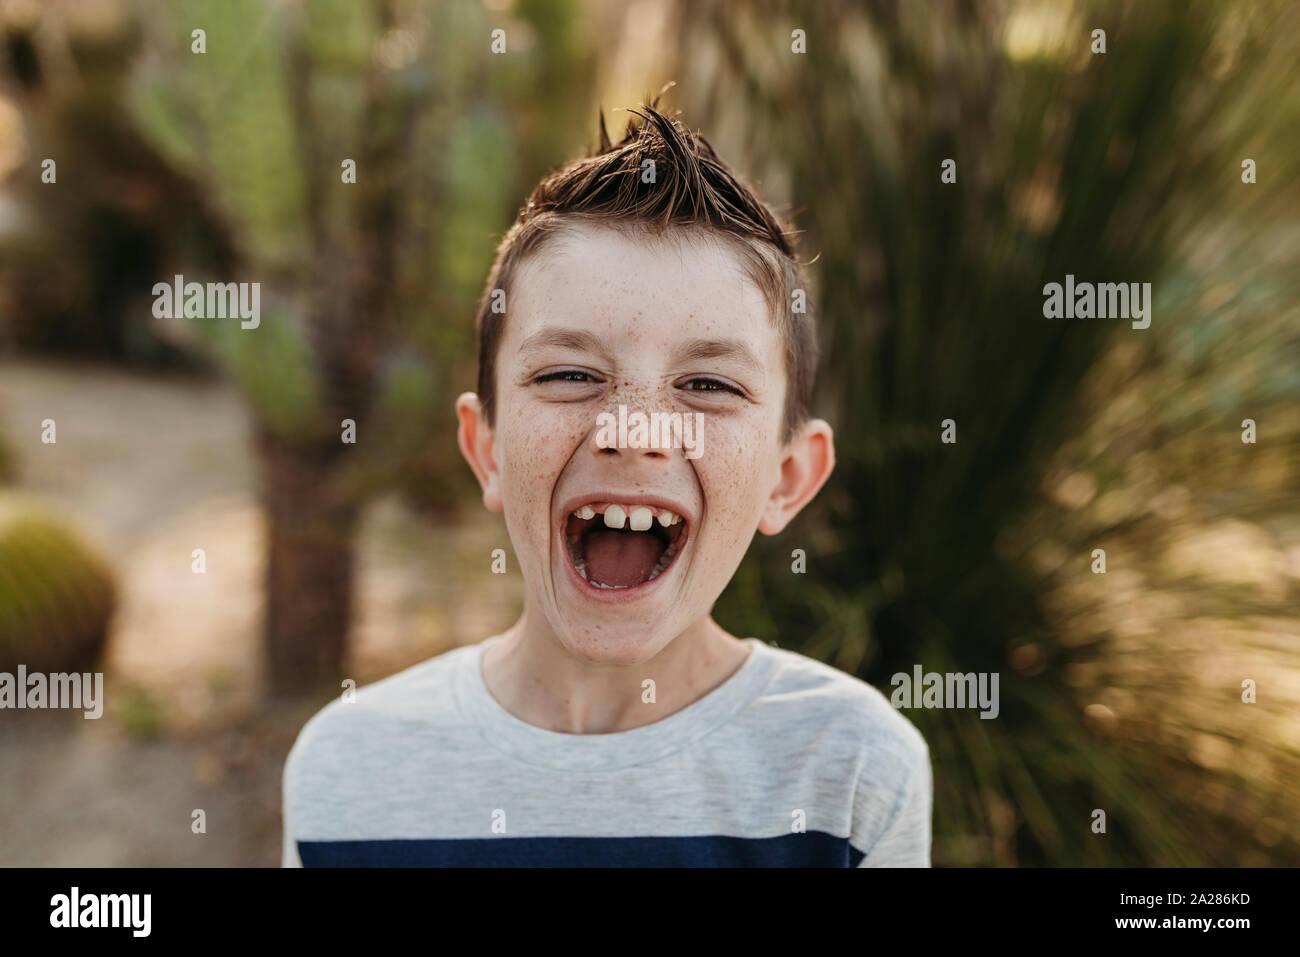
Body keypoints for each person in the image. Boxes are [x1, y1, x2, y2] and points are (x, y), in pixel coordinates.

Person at [282, 100, 931, 867]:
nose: (635, 432)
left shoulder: (850, 771)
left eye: (709, 386)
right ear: (486, 448)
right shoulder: (349, 771)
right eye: (568, 374)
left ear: (787, 478)